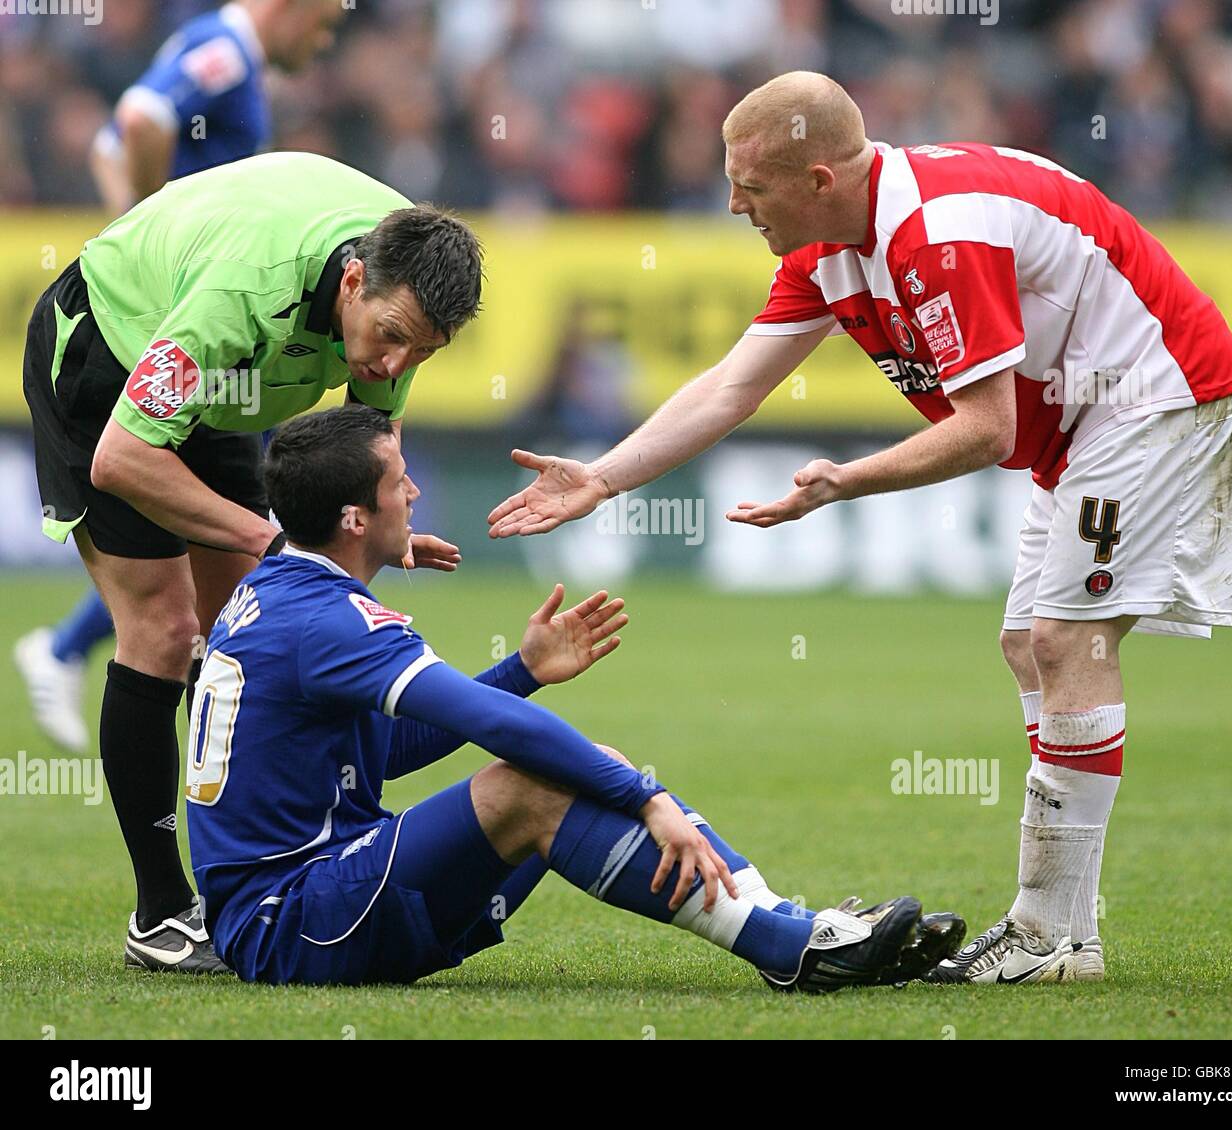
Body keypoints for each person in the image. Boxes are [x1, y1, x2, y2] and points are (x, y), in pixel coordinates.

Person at [485, 72, 1232, 984]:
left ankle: (1053, 936)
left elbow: (986, 430)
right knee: (1027, 644)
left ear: (819, 178)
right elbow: (735, 384)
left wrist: (841, 483)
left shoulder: (936, 234)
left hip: (1154, 397)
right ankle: (1063, 932)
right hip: (1083, 424)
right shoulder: (830, 243)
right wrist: (604, 477)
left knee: (1064, 639)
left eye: (752, 185)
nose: (732, 203)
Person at [185, 405, 963, 990]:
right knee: (537, 780)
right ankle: (791, 951)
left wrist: (521, 670)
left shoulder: (275, 593)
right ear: (356, 516)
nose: (415, 490)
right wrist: (646, 796)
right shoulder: (330, 620)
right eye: (398, 480)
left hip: (299, 900)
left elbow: (384, 754)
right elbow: (489, 727)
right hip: (288, 922)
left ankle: (798, 930)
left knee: (586, 763)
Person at [22, 150, 479, 972]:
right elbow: (122, 459)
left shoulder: (404, 274)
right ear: (350, 285)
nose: (392, 368)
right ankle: (160, 914)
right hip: (111, 357)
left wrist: (386, 532)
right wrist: (271, 538)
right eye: (391, 340)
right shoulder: (243, 295)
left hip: (228, 390)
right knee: (165, 632)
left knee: (249, 634)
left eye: (423, 355)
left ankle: (262, 875)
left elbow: (372, 444)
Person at [17, 0, 345, 755]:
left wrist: (140, 217)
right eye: (325, 23)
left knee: (201, 589)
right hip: (202, 329)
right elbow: (137, 118)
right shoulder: (225, 53)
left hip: (205, 329)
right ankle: (65, 647)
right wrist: (152, 215)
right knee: (197, 579)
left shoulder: (218, 52)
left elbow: (113, 138)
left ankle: (70, 647)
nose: (325, 40)